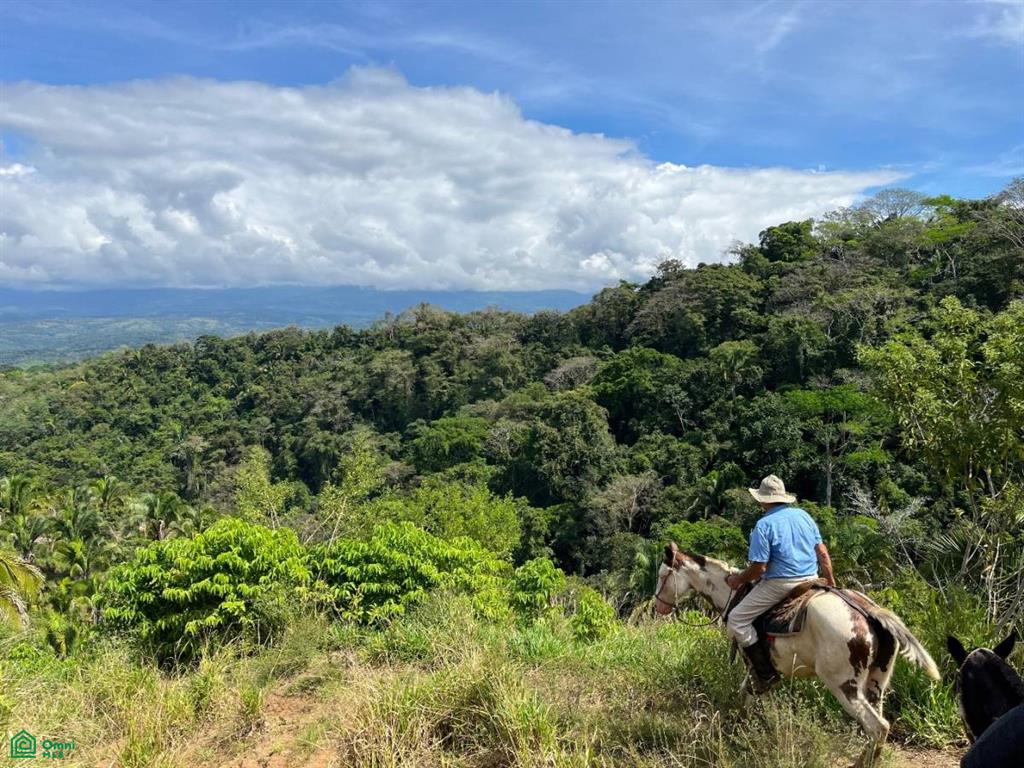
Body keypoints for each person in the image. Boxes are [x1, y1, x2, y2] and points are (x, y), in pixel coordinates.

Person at [725, 474, 836, 692]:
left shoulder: (763, 525)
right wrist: (830, 581)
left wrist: (738, 579)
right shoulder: (804, 516)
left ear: (763, 500)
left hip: (781, 584)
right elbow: (822, 552)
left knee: (736, 619)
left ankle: (765, 674)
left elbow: (760, 568)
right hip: (812, 578)